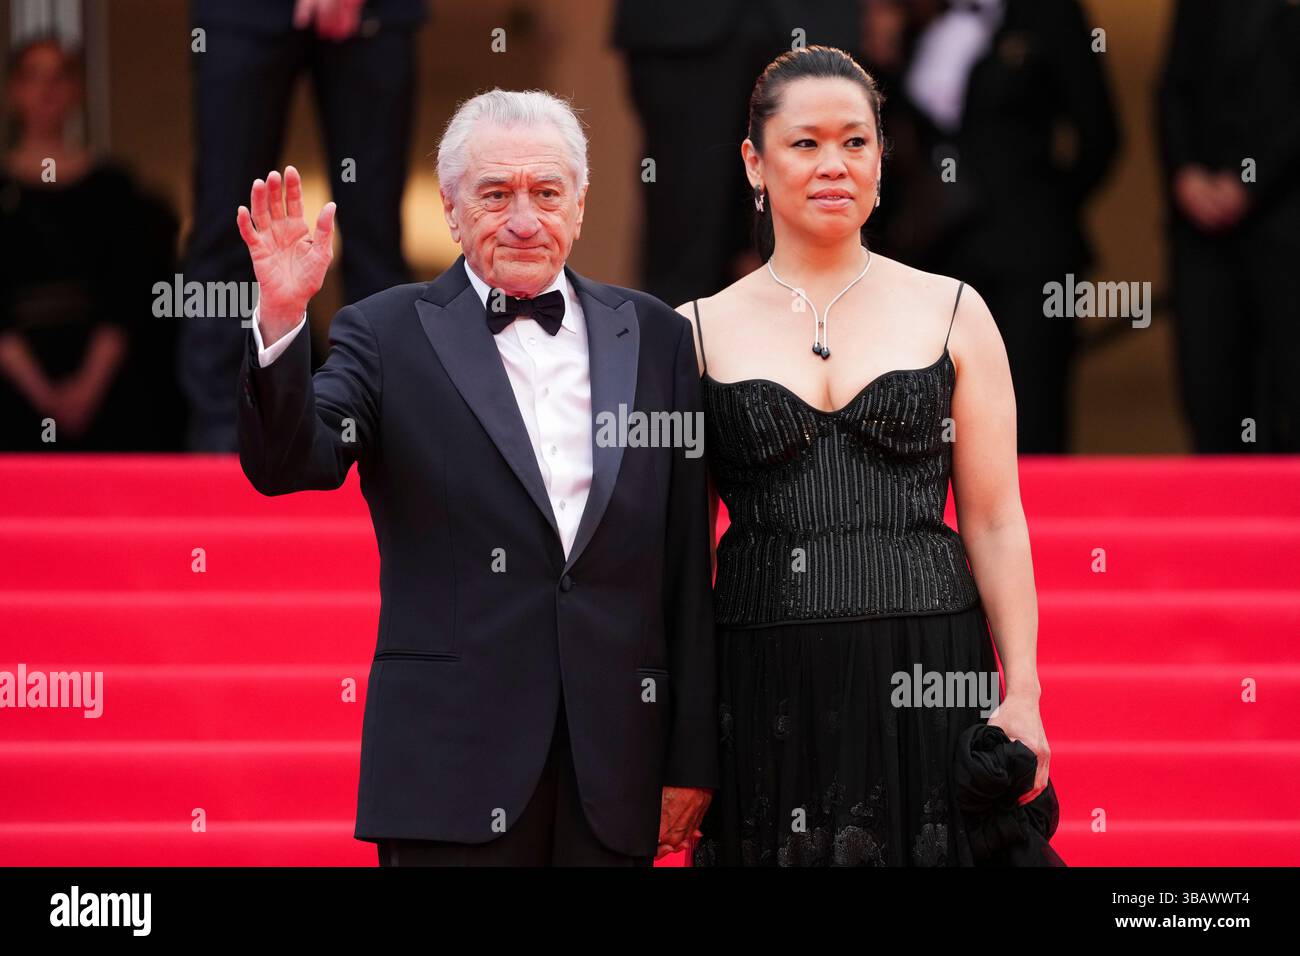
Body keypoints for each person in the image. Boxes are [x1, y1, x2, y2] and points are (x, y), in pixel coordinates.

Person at [235, 90, 716, 865]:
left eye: (546, 193)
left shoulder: (657, 335)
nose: (524, 218)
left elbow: (687, 566)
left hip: (615, 768)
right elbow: (295, 461)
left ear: (581, 205)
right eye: (496, 195)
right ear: (452, 209)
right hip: (447, 769)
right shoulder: (385, 330)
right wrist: (286, 316)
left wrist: (690, 760)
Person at [681, 46, 1051, 866]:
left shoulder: (955, 310)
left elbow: (993, 520)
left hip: (931, 670)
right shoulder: (693, 331)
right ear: (755, 161)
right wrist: (678, 736)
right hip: (762, 676)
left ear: (883, 158)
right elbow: (673, 557)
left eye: (856, 142)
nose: (833, 164)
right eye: (805, 143)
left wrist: (1021, 692)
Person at [182, 0, 428, 451]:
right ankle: (220, 434)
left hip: (375, 13)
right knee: (227, 224)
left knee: (375, 236)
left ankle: (378, 426)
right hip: (238, 15)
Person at [0, 37, 180, 451]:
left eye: (59, 76)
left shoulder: (114, 189)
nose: (46, 89)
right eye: (33, 76)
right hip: (13, 387)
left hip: (108, 387)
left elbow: (128, 292)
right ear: (14, 91)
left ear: (77, 90)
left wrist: (86, 388)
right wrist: (41, 394)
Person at [1157, 0, 1300, 452]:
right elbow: (1172, 89)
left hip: (1285, 225)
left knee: (1288, 391)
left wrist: (1249, 182)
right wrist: (1184, 173)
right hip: (1202, 231)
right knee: (1209, 390)